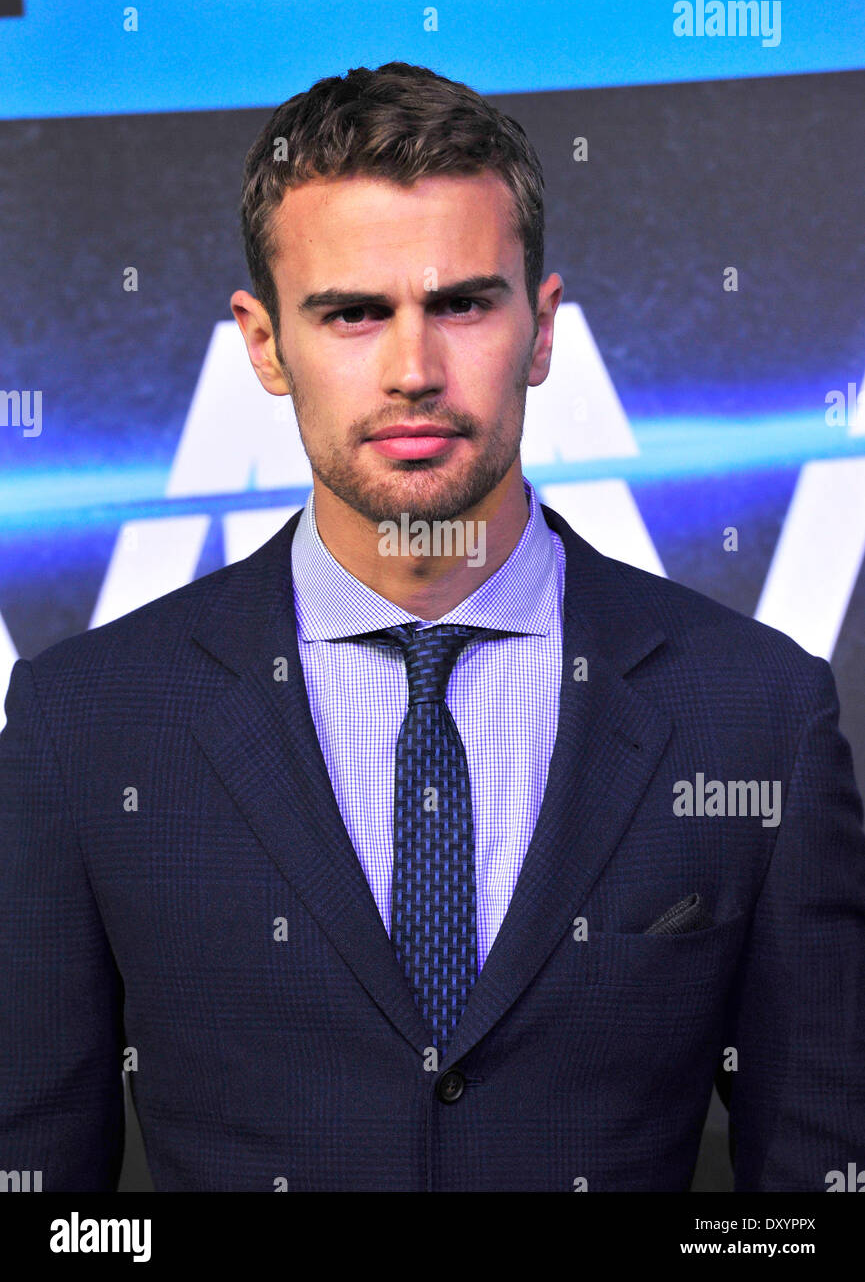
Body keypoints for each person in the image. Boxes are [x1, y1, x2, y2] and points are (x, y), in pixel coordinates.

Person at [1, 62, 863, 1193]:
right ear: (263, 344)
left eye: (460, 303)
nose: (413, 370)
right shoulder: (86, 723)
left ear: (541, 327)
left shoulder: (754, 713)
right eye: (352, 313)